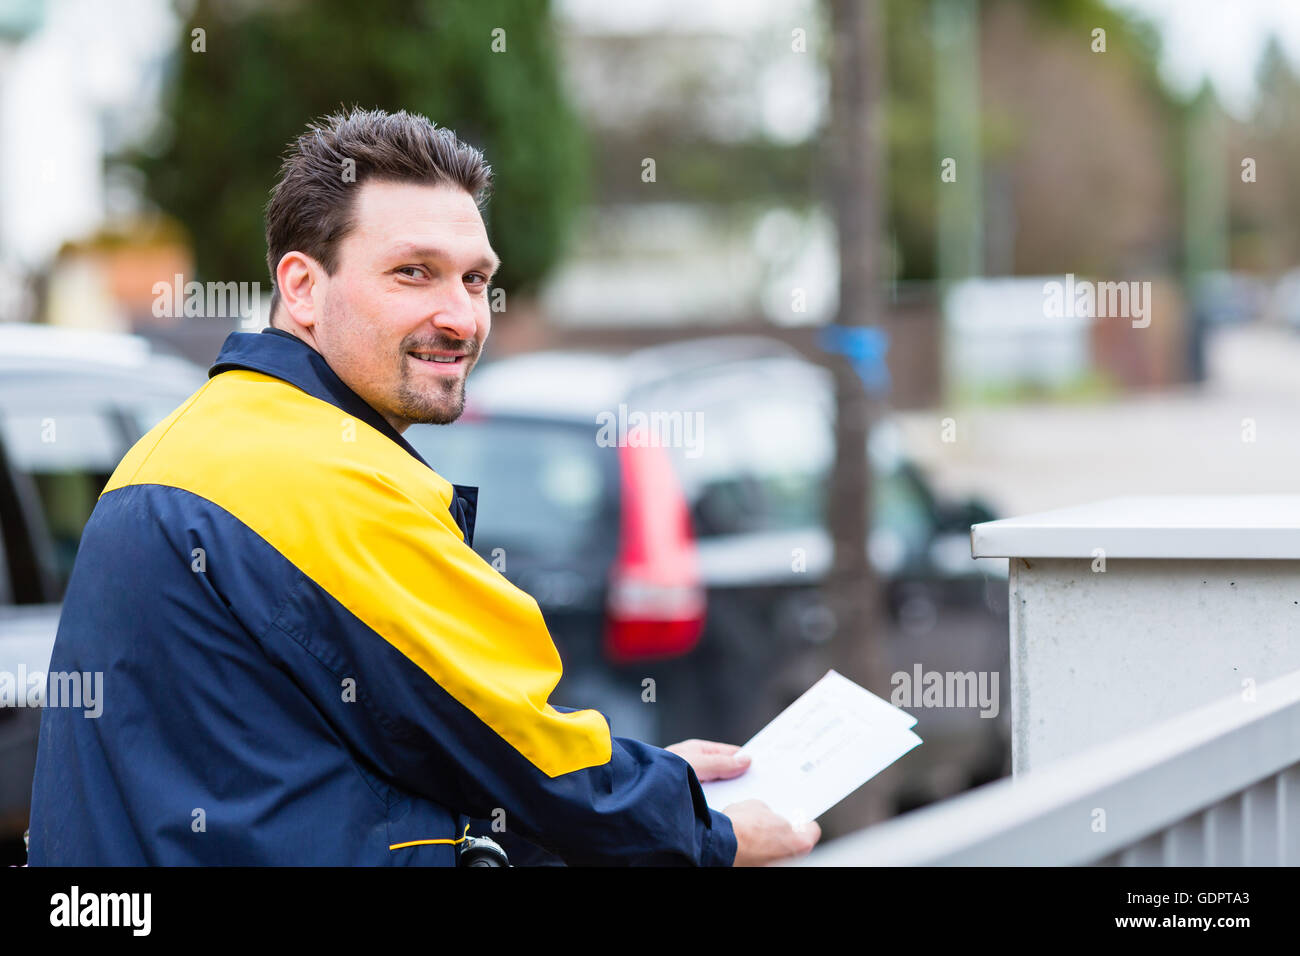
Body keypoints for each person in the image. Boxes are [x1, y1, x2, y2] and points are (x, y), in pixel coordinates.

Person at [26, 107, 820, 866]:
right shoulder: (318, 474)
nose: (461, 317)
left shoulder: (196, 441)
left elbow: (389, 763)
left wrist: (645, 783)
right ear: (301, 287)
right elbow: (520, 748)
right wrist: (703, 831)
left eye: (475, 280)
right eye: (414, 273)